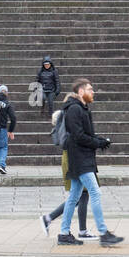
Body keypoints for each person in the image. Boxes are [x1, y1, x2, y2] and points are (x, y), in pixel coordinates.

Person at [56, 79, 123, 247]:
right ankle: (103, 232)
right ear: (80, 92)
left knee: (73, 197)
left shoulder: (81, 109)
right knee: (95, 192)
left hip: (82, 158)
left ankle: (64, 234)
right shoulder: (74, 109)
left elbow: (85, 134)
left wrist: (100, 140)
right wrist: (97, 143)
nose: (93, 92)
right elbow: (78, 136)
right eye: (90, 89)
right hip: (80, 159)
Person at [40, 92, 91, 239]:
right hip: (73, 159)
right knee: (81, 195)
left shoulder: (68, 116)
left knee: (80, 195)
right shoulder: (69, 117)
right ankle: (50, 219)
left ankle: (80, 229)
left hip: (71, 158)